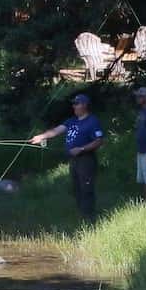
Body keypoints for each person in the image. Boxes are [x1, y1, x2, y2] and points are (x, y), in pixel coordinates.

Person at [30, 93, 104, 223]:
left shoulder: (92, 121)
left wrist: (81, 149)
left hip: (86, 160)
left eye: (77, 103)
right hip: (74, 161)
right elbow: (57, 130)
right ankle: (81, 215)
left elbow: (99, 141)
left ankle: (89, 218)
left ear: (85, 105)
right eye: (73, 104)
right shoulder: (71, 121)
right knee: (77, 188)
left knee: (86, 189)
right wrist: (42, 136)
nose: (73, 106)